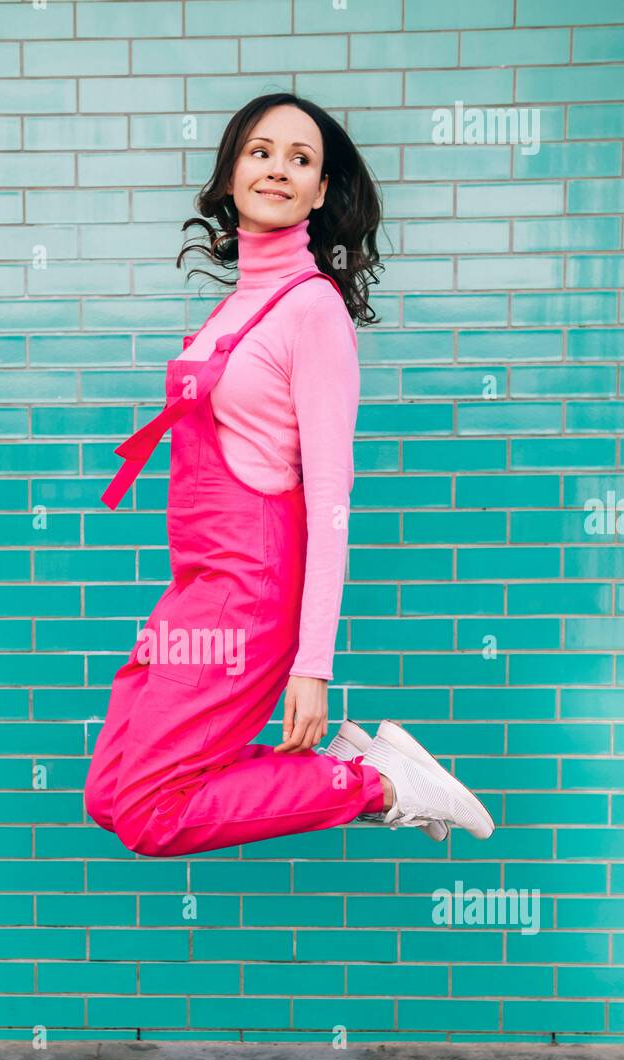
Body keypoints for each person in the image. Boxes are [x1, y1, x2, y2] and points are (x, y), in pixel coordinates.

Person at [84, 92, 494, 858]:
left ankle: (380, 786)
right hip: (198, 584)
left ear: (319, 190)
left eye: (300, 159)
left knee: (151, 813)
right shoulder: (233, 310)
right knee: (111, 790)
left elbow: (332, 498)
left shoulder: (313, 312)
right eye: (261, 151)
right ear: (232, 170)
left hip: (250, 595)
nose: (278, 168)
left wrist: (314, 665)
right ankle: (356, 770)